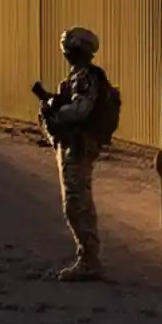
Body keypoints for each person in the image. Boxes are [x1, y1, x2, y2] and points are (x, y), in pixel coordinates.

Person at [41, 26, 107, 282]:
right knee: (79, 201)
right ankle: (89, 257)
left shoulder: (85, 77)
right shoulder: (79, 76)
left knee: (75, 203)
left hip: (78, 146)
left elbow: (80, 110)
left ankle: (89, 260)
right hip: (74, 144)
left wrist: (55, 111)